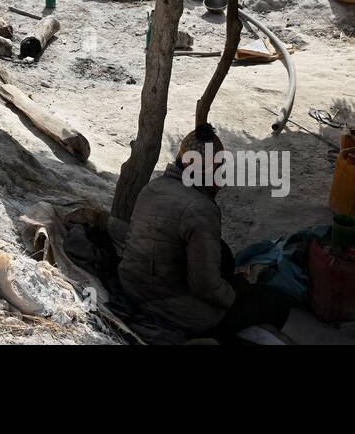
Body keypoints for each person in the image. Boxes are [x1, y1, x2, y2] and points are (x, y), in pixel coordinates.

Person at [117, 123, 291, 342]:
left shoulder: (153, 187)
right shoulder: (200, 210)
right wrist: (233, 295)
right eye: (219, 170)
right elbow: (205, 287)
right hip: (170, 310)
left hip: (132, 288)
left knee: (224, 252)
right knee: (276, 301)